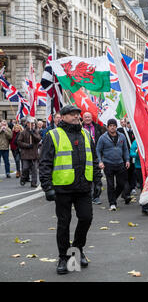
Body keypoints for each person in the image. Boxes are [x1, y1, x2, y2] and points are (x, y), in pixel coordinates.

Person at [39, 105, 102, 275]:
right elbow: (45, 163)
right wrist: (47, 187)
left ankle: (77, 249)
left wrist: (97, 182)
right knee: (63, 224)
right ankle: (63, 257)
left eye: (77, 114)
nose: (76, 117)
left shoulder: (86, 134)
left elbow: (94, 160)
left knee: (86, 218)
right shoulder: (53, 135)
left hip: (83, 187)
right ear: (63, 117)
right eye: (72, 114)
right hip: (62, 188)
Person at [96, 118, 130, 211]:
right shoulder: (103, 137)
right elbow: (98, 150)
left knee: (121, 184)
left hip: (120, 163)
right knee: (110, 184)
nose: (112, 127)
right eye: (110, 126)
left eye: (114, 126)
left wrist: (127, 160)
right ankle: (112, 203)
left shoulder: (122, 136)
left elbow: (125, 149)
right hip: (108, 163)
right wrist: (100, 161)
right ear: (107, 127)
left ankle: (113, 197)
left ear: (116, 126)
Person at [17, 118, 41, 187]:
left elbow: (38, 139)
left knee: (34, 170)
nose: (32, 125)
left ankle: (34, 183)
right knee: (25, 168)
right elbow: (19, 142)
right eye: (31, 123)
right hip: (25, 154)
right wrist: (27, 145)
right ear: (27, 124)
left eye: (33, 123)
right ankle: (23, 178)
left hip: (34, 154)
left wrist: (32, 134)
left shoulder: (36, 131)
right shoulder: (23, 132)